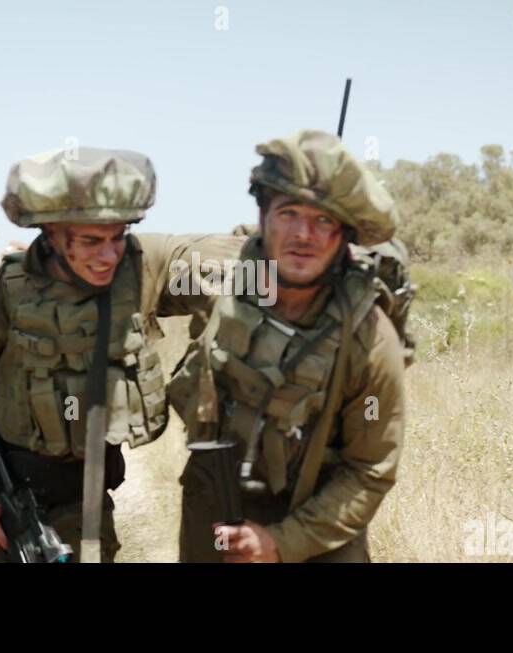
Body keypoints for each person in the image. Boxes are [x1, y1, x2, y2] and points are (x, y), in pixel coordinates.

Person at [0, 146, 240, 562]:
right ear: (51, 233)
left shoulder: (141, 271)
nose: (108, 255)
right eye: (91, 241)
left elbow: (219, 260)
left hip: (84, 507)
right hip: (0, 503)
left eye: (118, 237)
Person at [169, 129, 409, 563]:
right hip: (214, 511)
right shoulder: (220, 279)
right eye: (289, 213)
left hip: (317, 527)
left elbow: (371, 470)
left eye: (324, 221)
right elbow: (120, 260)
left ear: (343, 238)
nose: (304, 234)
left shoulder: (370, 338)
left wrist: (281, 542)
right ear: (263, 218)